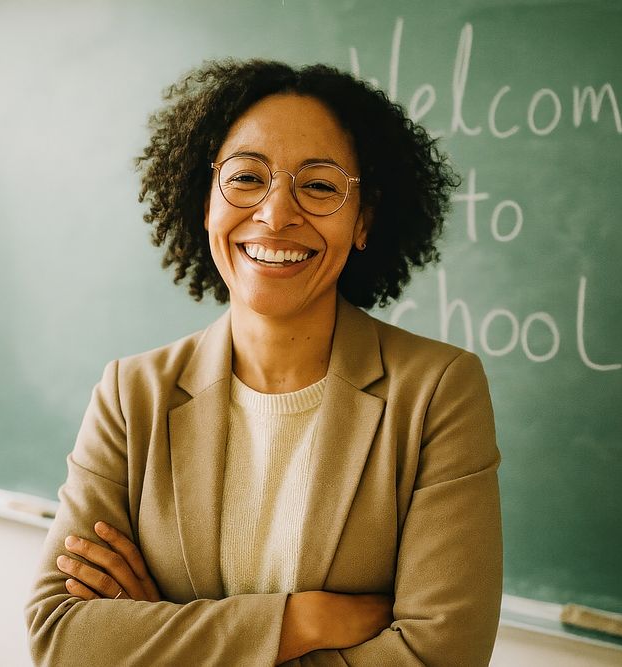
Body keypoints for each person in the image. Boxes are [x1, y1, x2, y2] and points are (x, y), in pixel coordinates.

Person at [25, 59, 502, 666]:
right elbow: (60, 639)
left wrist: (163, 636)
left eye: (321, 185)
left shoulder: (436, 392)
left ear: (365, 220)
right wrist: (298, 621)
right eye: (247, 177)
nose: (276, 214)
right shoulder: (131, 395)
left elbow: (441, 658)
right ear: (205, 203)